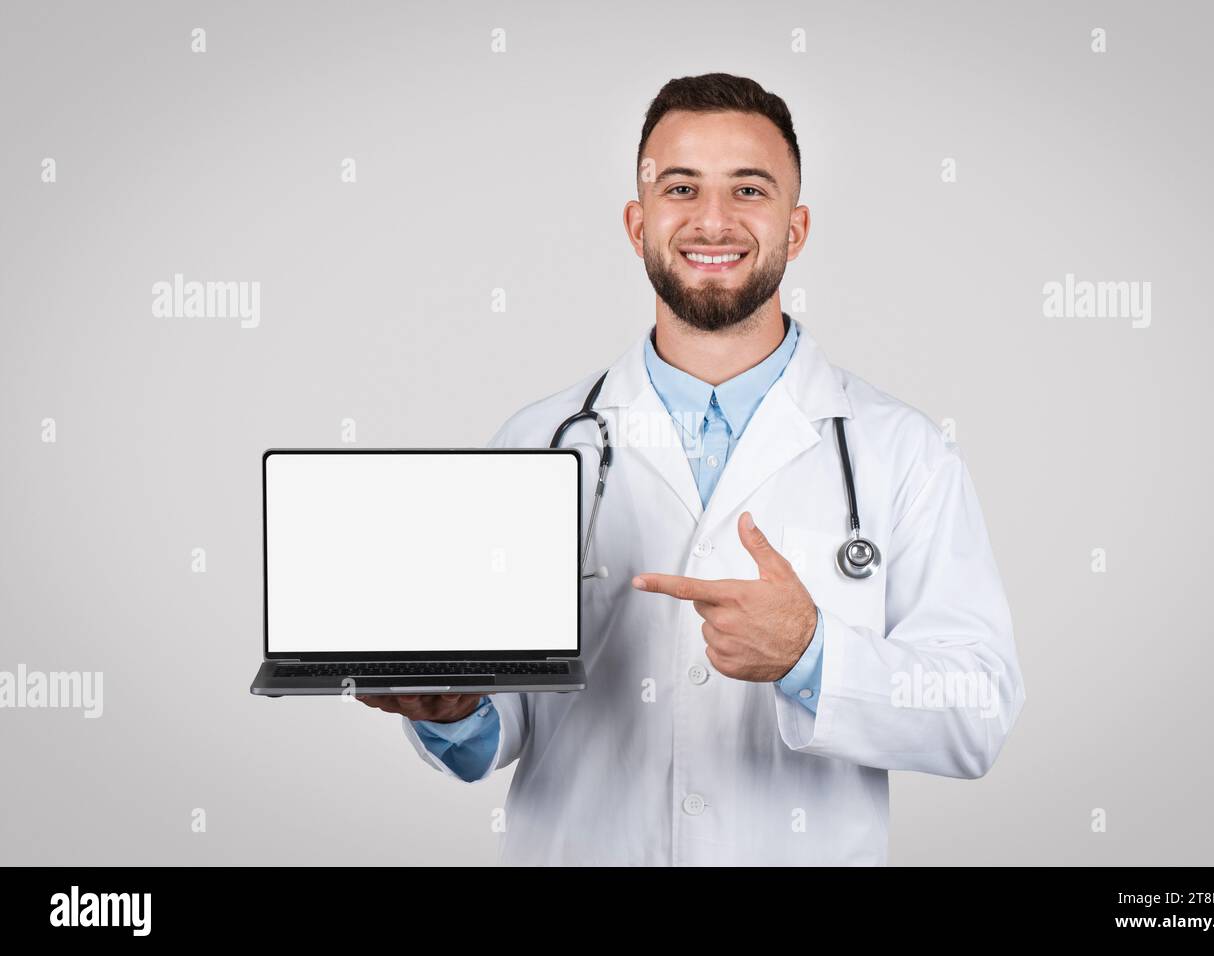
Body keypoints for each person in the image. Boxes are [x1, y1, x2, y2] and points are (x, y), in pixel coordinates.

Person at [357, 72, 1025, 865]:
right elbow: (499, 724)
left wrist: (813, 655)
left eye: (750, 188)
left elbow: (975, 711)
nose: (714, 219)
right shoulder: (541, 440)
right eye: (682, 187)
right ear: (638, 223)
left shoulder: (902, 451)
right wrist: (449, 710)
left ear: (796, 227)